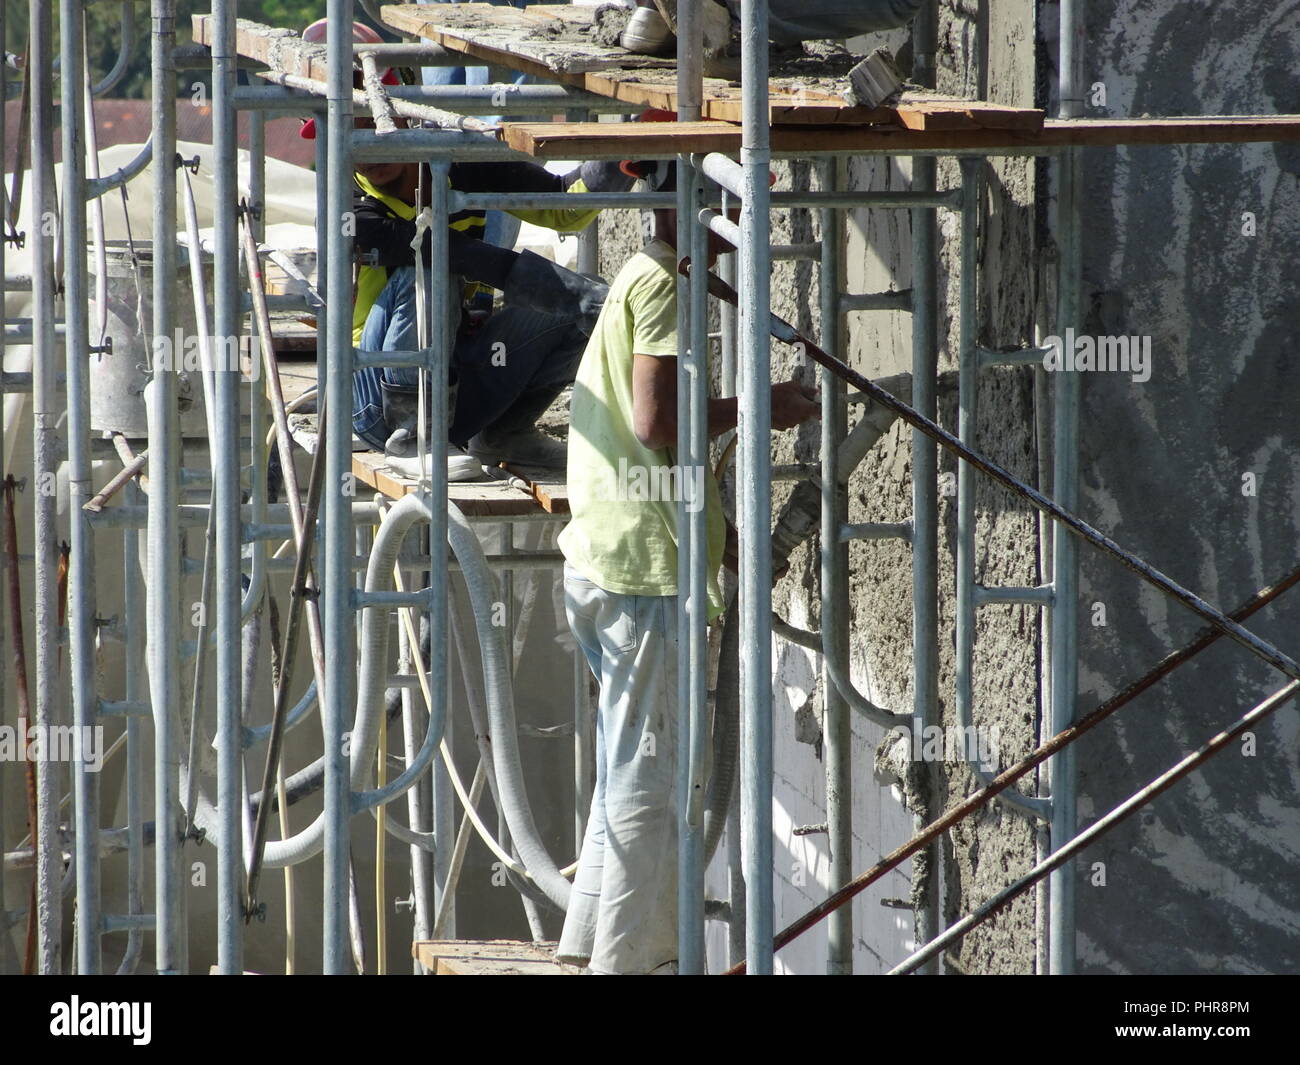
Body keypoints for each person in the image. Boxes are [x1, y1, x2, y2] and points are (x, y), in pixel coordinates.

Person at [555, 162, 820, 974]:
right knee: (650, 778)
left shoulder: (640, 274)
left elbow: (658, 451)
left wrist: (720, 533)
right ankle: (628, 964)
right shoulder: (669, 284)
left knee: (625, 766)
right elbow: (659, 420)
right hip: (640, 576)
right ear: (699, 207)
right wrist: (762, 405)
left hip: (610, 559)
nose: (740, 217)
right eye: (731, 203)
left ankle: (587, 945)